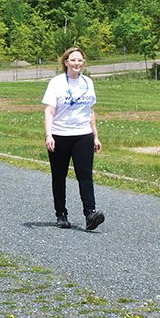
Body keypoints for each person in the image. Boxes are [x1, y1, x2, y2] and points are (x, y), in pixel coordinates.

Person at [42, 47, 105, 231]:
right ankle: (61, 214)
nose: (77, 63)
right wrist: (49, 134)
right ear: (66, 62)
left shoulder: (88, 82)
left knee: (85, 175)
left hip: (82, 135)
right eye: (73, 60)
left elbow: (90, 111)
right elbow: (49, 110)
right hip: (60, 135)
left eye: (80, 60)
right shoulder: (56, 82)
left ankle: (90, 214)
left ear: (83, 62)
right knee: (59, 176)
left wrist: (95, 136)